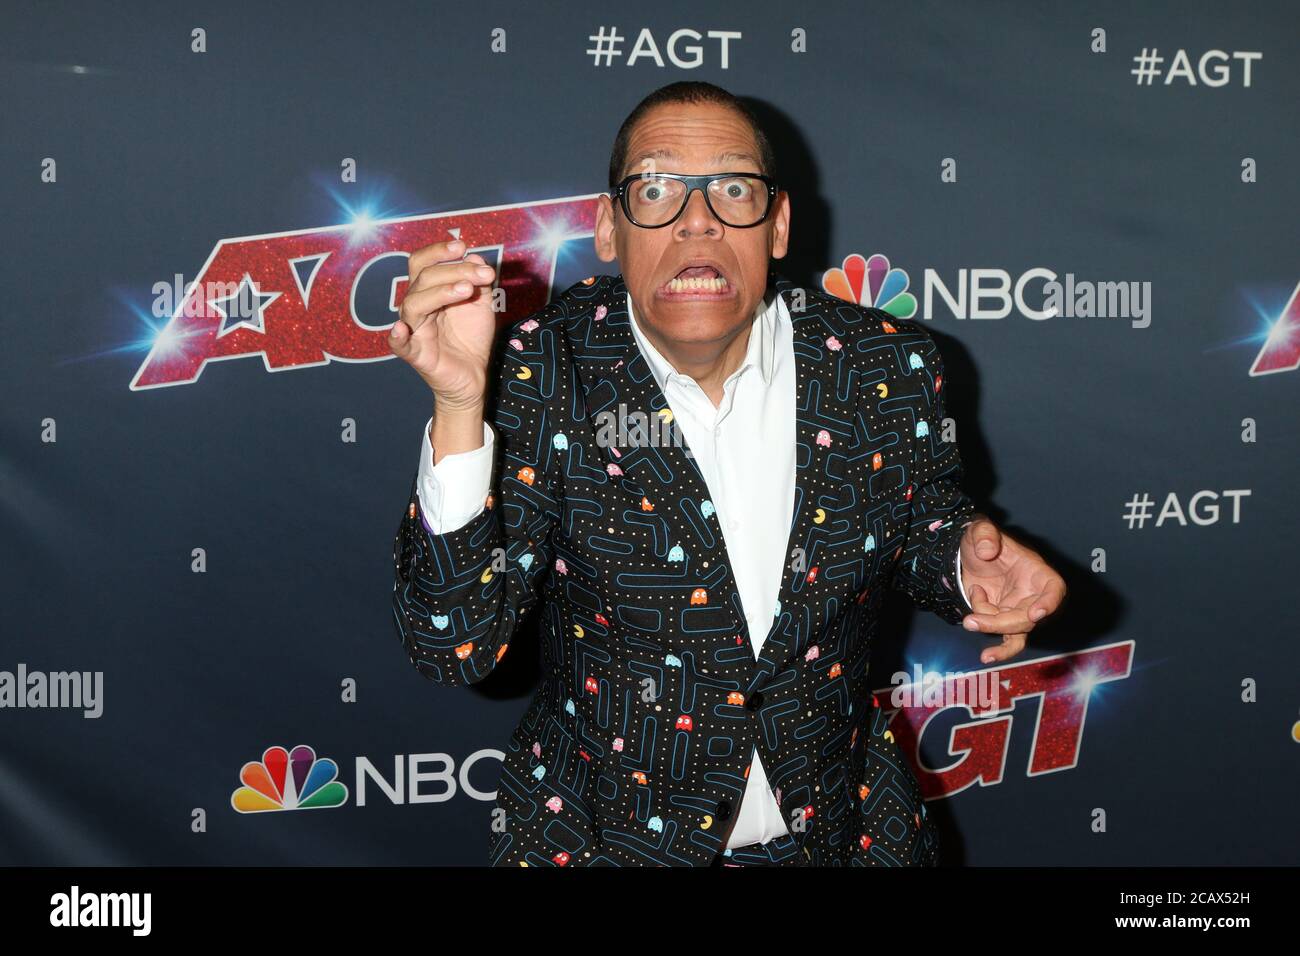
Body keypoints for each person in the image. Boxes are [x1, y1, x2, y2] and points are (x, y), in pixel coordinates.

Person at [388, 81, 1065, 866]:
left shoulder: (888, 365)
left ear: (777, 225)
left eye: (733, 188)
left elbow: (918, 517)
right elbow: (452, 645)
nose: (697, 221)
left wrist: (963, 561)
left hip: (845, 837)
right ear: (609, 228)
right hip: (600, 844)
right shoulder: (539, 371)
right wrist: (460, 402)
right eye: (657, 187)